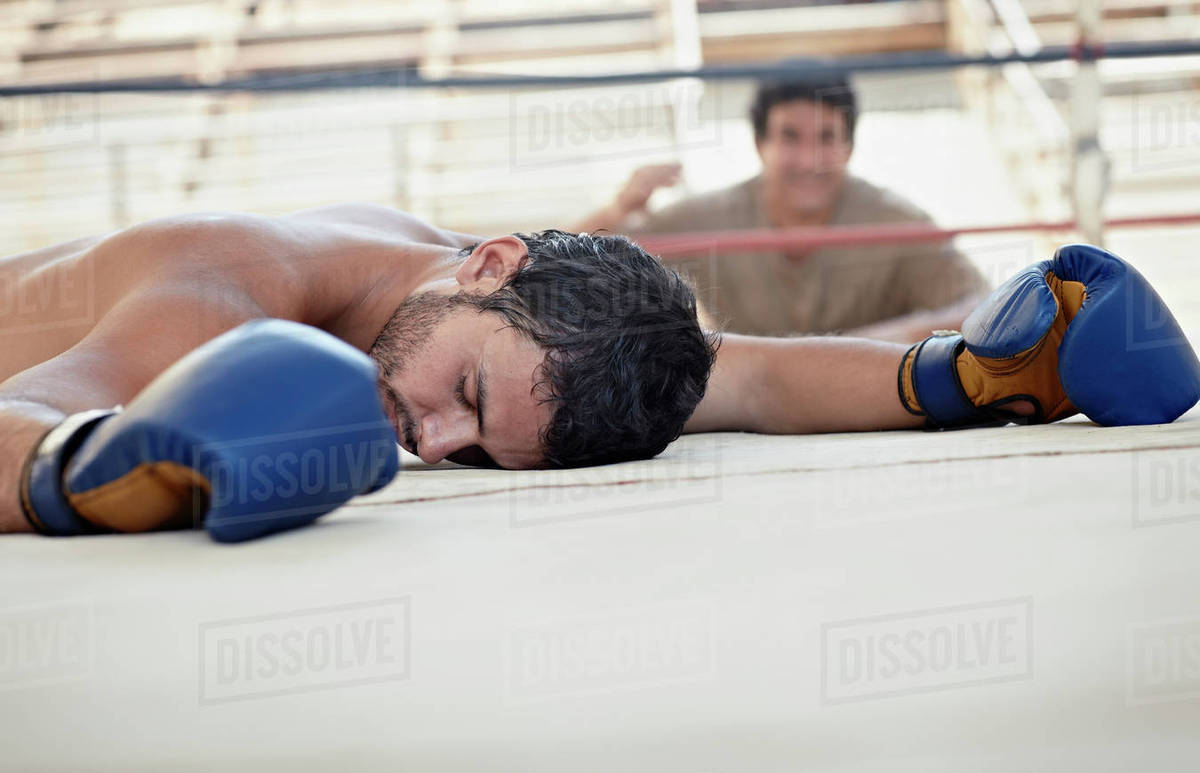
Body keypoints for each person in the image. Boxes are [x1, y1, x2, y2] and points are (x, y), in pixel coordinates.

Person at [2, 204, 1197, 541]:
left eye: (478, 446)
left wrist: (969, 380)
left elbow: (748, 379)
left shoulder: (496, 305)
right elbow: (22, 416)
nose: (434, 443)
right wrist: (101, 464)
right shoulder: (218, 294)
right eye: (464, 403)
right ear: (491, 264)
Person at [573, 72, 990, 342]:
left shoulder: (897, 222)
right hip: (748, 425)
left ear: (849, 147)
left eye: (826, 138)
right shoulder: (708, 219)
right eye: (791, 137)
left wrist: (850, 351)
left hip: (871, 406)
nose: (810, 159)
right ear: (759, 144)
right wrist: (615, 210)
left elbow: (981, 307)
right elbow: (561, 271)